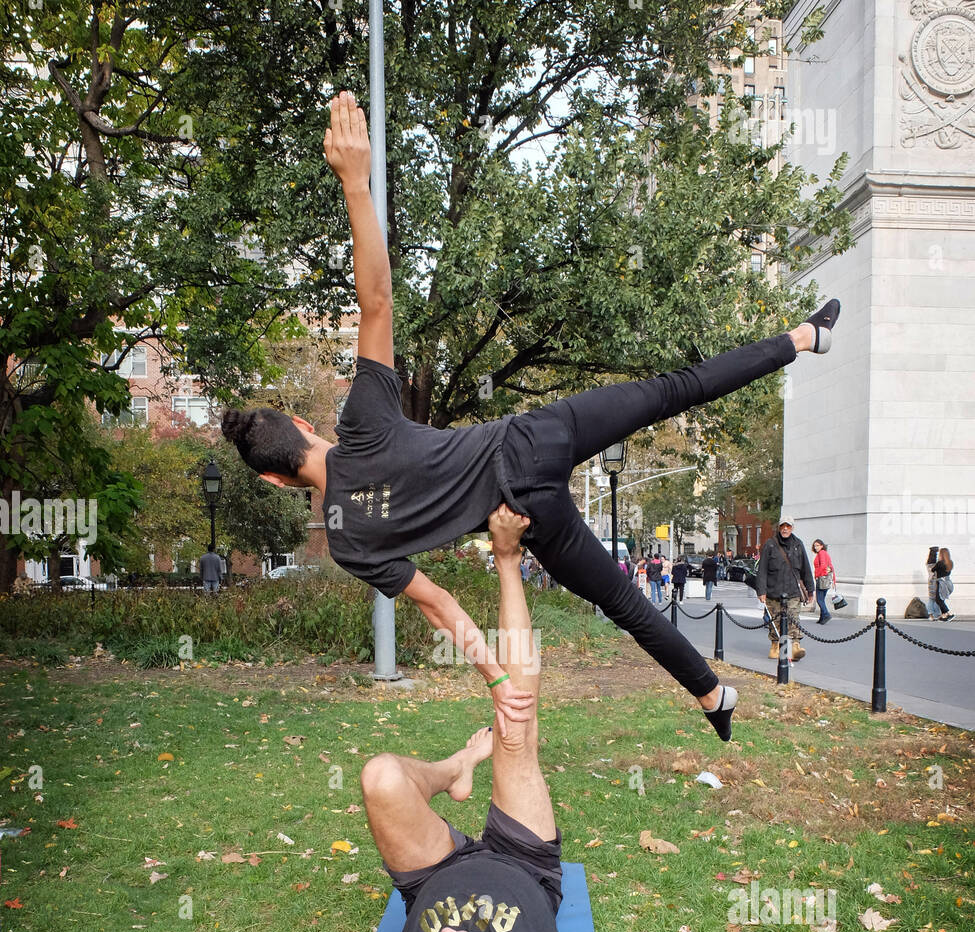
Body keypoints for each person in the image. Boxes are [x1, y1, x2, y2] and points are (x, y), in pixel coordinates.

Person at [222, 91, 841, 744]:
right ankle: (802, 338)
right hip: (539, 437)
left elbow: (440, 607)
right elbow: (375, 300)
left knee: (623, 603)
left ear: (275, 482)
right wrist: (354, 182)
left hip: (523, 512)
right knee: (674, 390)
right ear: (305, 427)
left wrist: (495, 677)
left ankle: (713, 695)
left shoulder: (348, 541)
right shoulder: (363, 421)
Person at [279, 505, 663, 932]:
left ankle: (458, 766)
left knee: (379, 775)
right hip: (524, 863)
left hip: (433, 871)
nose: (455, 929)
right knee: (515, 724)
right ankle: (508, 558)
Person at [757, 515, 813, 662]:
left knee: (793, 619)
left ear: (792, 528)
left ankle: (794, 647)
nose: (785, 529)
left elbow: (806, 569)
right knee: (774, 622)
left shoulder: (798, 544)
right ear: (779, 527)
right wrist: (761, 591)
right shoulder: (770, 544)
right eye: (783, 526)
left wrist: (810, 590)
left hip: (793, 591)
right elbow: (762, 569)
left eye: (788, 526)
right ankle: (776, 646)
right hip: (773, 591)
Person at [811, 538, 835, 624]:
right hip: (826, 579)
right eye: (814, 545)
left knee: (819, 600)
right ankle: (822, 618)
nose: (816, 547)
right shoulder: (824, 553)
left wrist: (818, 575)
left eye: (817, 545)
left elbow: (823, 565)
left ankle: (826, 614)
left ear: (822, 546)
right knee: (822, 599)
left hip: (821, 579)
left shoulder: (821, 553)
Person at [933, 547, 954, 621]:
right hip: (948, 582)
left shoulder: (940, 563)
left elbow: (933, 569)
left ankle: (948, 613)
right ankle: (944, 615)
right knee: (941, 599)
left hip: (942, 583)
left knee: (938, 599)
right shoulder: (950, 562)